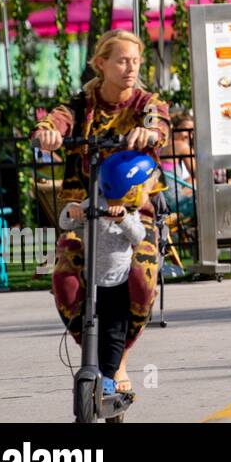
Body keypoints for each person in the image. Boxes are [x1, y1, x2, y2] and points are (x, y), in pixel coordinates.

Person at [32, 29, 169, 394]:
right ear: (100, 63)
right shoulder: (81, 105)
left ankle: (117, 358)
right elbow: (56, 120)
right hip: (85, 216)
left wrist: (149, 132)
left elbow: (159, 122)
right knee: (65, 281)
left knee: (141, 279)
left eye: (136, 61)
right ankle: (94, 357)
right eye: (122, 60)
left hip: (133, 215)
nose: (131, 68)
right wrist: (47, 132)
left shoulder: (144, 102)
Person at [55, 149, 161, 396]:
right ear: (130, 188)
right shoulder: (93, 205)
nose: (147, 193)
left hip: (118, 284)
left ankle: (109, 376)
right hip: (92, 283)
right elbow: (65, 223)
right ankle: (94, 367)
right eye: (144, 188)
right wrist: (72, 210)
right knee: (91, 326)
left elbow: (139, 235)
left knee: (114, 333)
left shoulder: (129, 213)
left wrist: (122, 218)